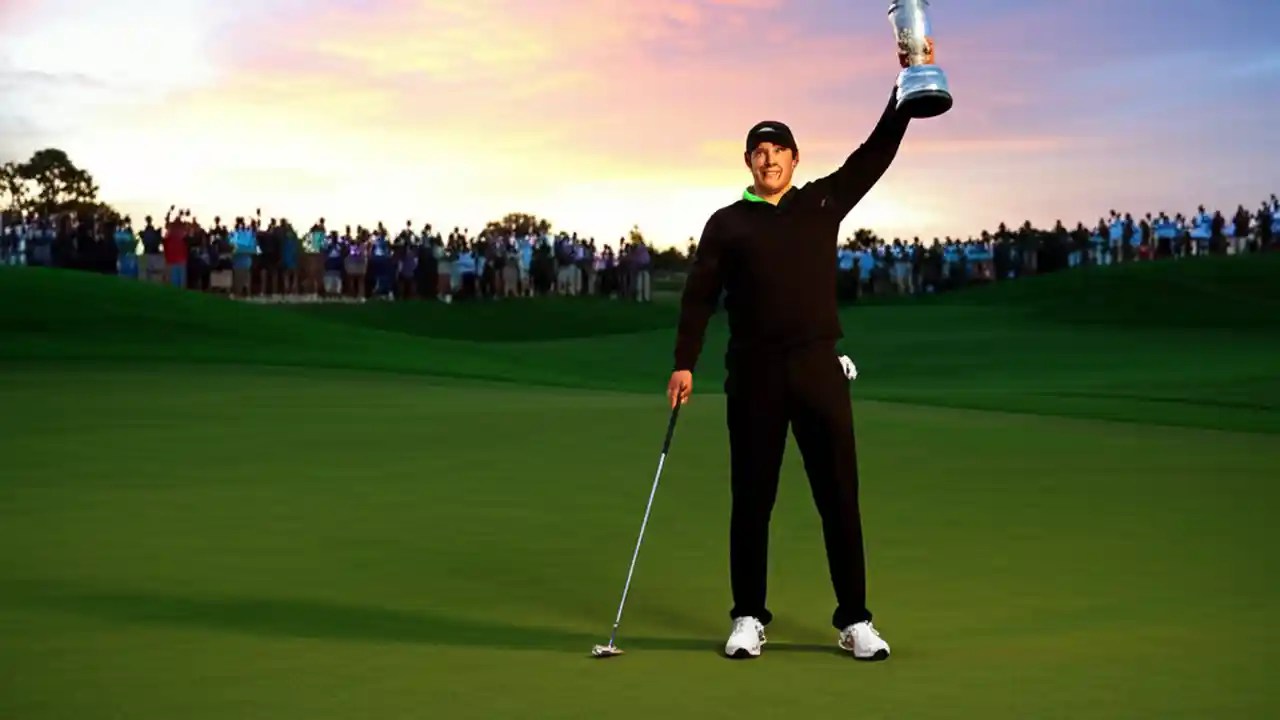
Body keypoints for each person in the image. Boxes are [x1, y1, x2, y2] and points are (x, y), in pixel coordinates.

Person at [667, 76, 916, 661]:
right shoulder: (726, 223)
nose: (769, 157)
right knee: (752, 498)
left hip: (817, 369)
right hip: (753, 375)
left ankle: (855, 619)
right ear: (749, 161)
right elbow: (699, 297)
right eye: (759, 149)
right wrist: (684, 363)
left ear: (795, 159)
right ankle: (749, 616)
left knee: (839, 497)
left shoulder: (820, 203)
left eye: (779, 149)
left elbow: (874, 154)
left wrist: (903, 93)